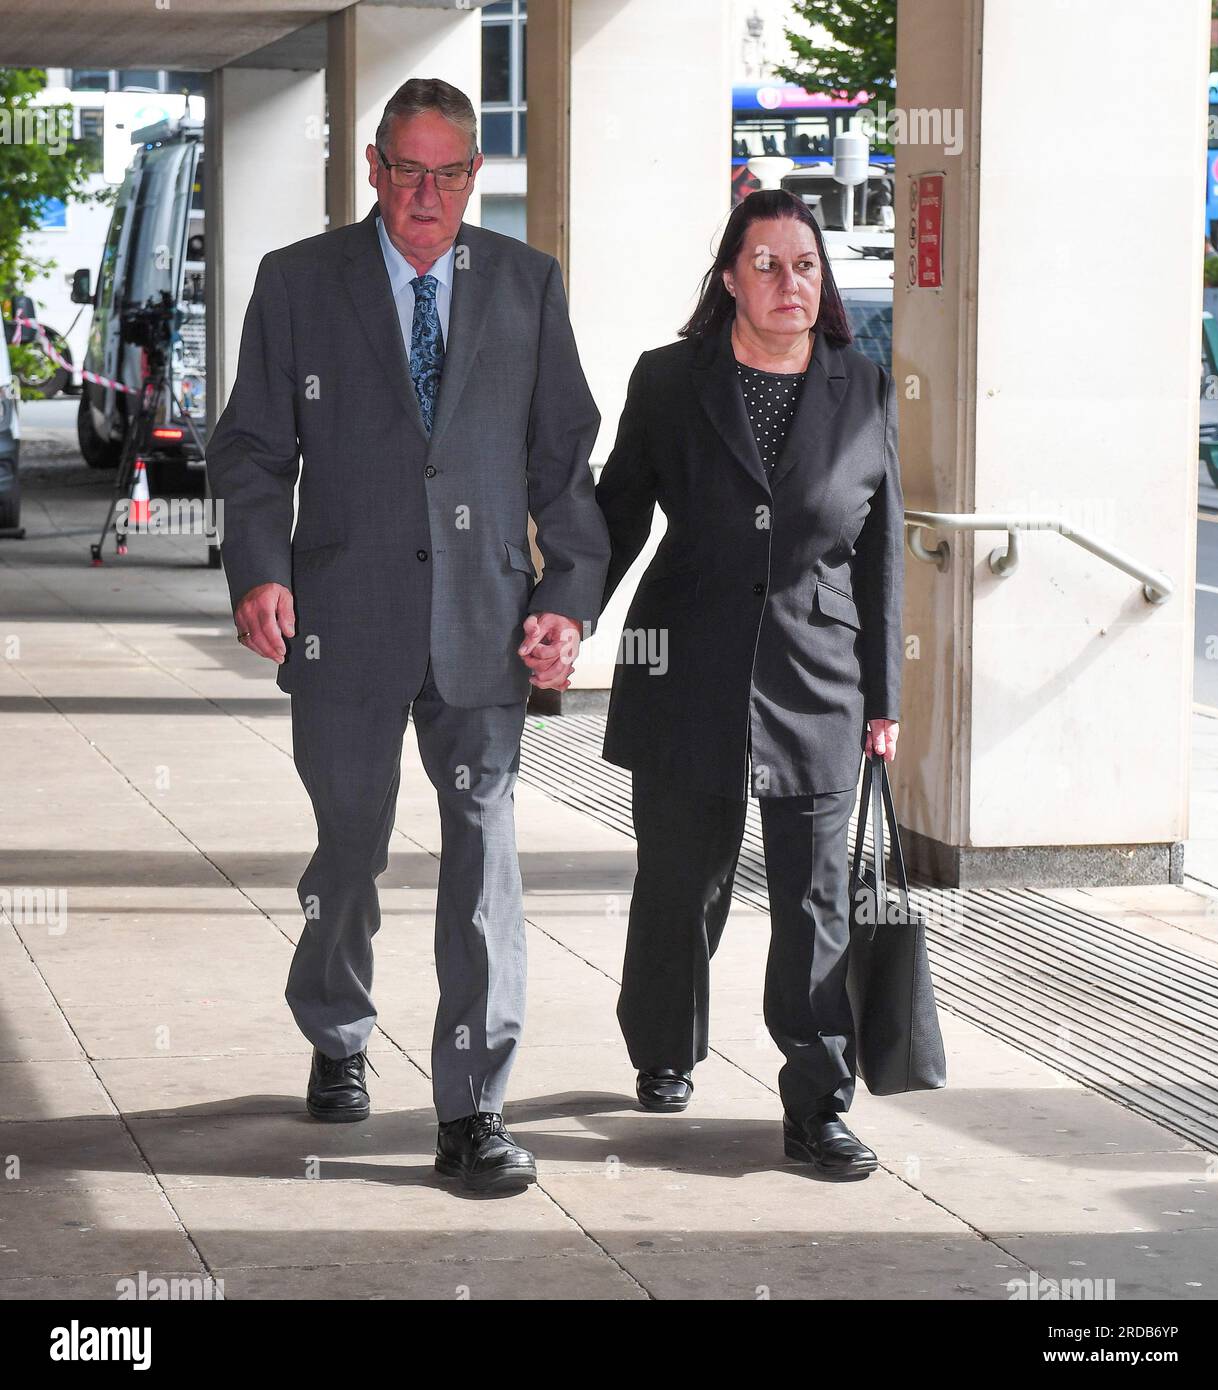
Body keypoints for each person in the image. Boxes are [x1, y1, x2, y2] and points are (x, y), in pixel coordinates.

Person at [206, 78, 610, 1194]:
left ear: (474, 176)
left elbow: (562, 464)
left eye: (449, 173)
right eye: (406, 168)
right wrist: (259, 569)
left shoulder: (526, 285)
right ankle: (338, 1029)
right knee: (350, 849)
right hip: (342, 619)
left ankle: (474, 1107)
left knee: (483, 858)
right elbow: (250, 448)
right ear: (373, 167)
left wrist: (566, 601)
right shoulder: (297, 284)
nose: (425, 193)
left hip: (483, 618)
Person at [595, 189, 903, 1181]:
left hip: (818, 680)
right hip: (683, 667)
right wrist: (563, 618)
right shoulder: (669, 380)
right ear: (727, 277)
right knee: (681, 880)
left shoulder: (860, 388)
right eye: (764, 263)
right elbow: (618, 518)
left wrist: (884, 695)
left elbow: (880, 550)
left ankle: (817, 1102)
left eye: (803, 264)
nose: (787, 282)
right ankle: (663, 1046)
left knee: (815, 901)